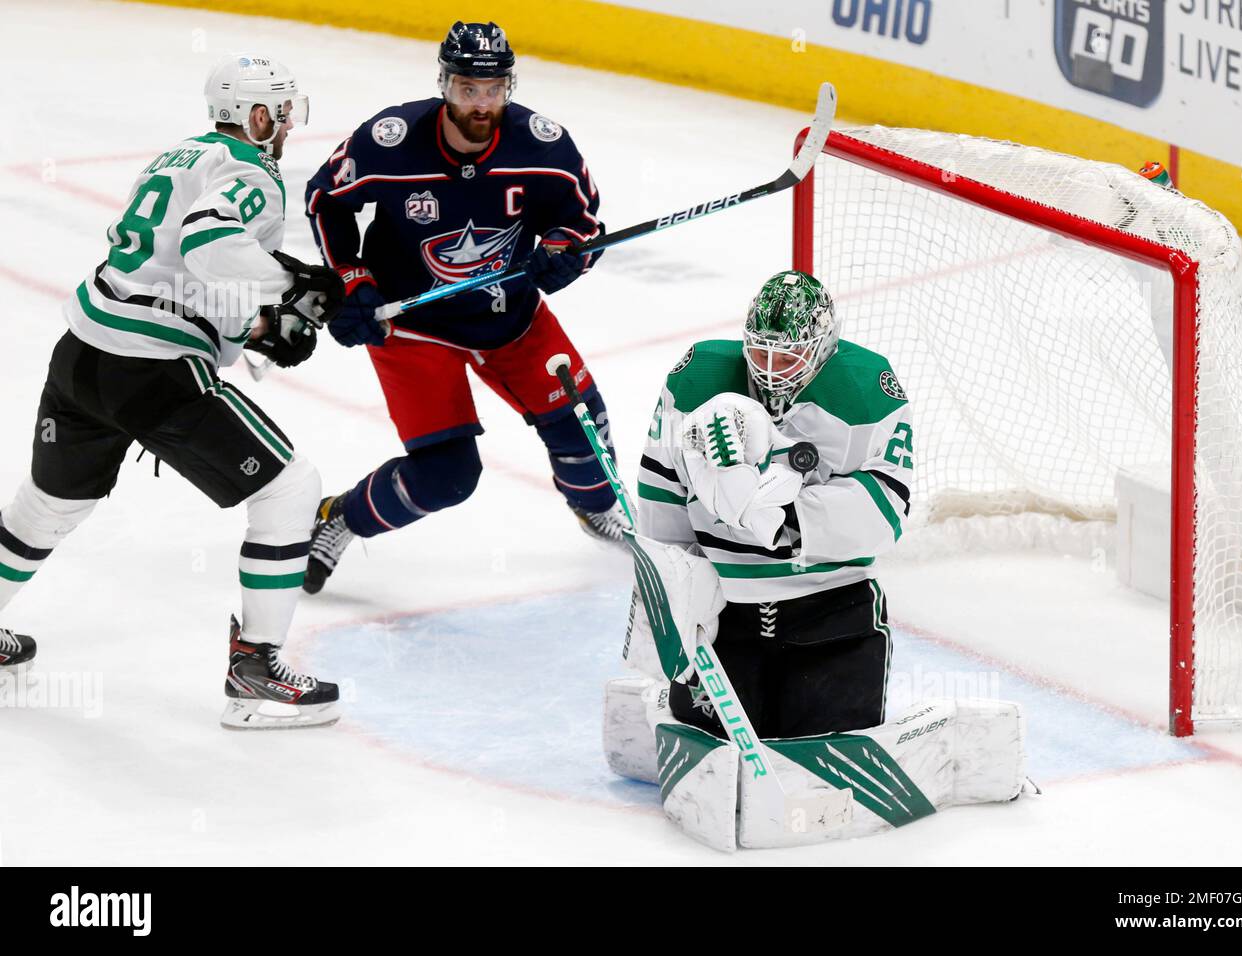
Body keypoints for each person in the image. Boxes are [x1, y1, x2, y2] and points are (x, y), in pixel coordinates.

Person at [0, 54, 344, 730]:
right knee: (291, 490)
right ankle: (256, 670)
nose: (283, 127)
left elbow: (172, 269)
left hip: (84, 354)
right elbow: (209, 246)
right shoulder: (252, 173)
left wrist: (259, 323)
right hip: (151, 369)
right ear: (255, 115)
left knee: (46, 508)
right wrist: (291, 289)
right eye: (279, 113)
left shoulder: (180, 157)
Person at [300, 20, 627, 595]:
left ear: (509, 87)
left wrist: (561, 254)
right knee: (447, 478)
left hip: (511, 316)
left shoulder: (543, 146)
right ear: (444, 84)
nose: (481, 103)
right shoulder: (391, 139)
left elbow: (580, 225)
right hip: (413, 325)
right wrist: (351, 279)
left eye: (494, 89)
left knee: (583, 424)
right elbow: (325, 201)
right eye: (467, 88)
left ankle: (595, 507)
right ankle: (340, 519)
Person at [629, 270, 913, 739]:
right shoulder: (696, 379)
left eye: (787, 356)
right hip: (722, 615)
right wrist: (674, 575)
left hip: (831, 612)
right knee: (709, 740)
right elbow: (662, 486)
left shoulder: (866, 391)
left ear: (823, 347)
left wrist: (786, 520)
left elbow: (887, 508)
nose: (769, 368)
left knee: (824, 747)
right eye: (760, 351)